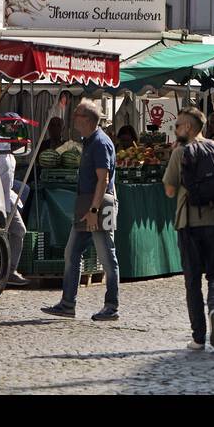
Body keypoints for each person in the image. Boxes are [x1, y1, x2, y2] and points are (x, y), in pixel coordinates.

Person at [163, 108, 214, 350]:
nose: (176, 130)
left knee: (192, 280)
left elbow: (170, 190)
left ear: (189, 128)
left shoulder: (180, 152)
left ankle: (198, 337)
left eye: (178, 126)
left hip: (188, 222)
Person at [43, 99, 120, 320]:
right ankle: (68, 304)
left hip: (98, 205)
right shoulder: (89, 141)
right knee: (72, 253)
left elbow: (103, 179)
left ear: (86, 119)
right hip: (87, 205)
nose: (73, 117)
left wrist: (94, 210)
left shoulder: (99, 142)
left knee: (107, 256)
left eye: (76, 114)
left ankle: (112, 307)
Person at [0, 106, 28, 287]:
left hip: (6, 196)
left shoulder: (6, 142)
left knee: (18, 230)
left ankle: (10, 271)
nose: (14, 131)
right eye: (12, 127)